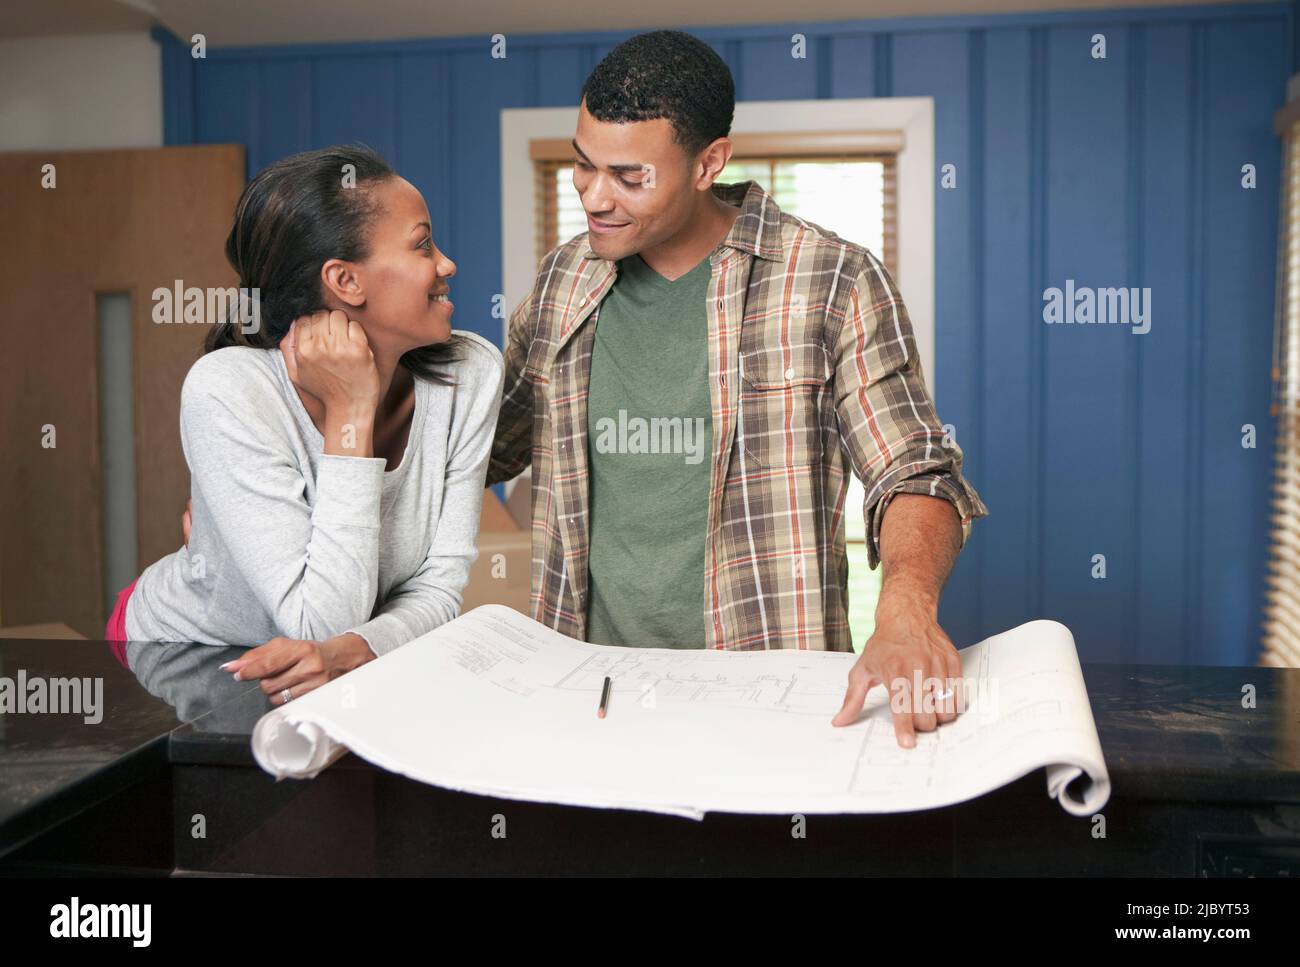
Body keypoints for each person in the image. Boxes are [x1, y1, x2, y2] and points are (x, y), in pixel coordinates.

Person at [487, 30, 989, 748]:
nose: (593, 197)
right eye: (581, 165)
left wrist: (907, 605)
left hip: (769, 708)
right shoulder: (565, 278)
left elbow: (914, 469)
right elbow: (489, 450)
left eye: (629, 177)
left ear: (708, 163)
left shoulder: (833, 279)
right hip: (588, 698)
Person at [106, 144, 504, 709]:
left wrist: (357, 649)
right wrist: (351, 416)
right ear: (345, 280)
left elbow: (439, 590)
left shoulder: (470, 373)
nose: (446, 265)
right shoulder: (229, 388)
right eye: (422, 245)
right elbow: (318, 622)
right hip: (185, 655)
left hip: (338, 669)